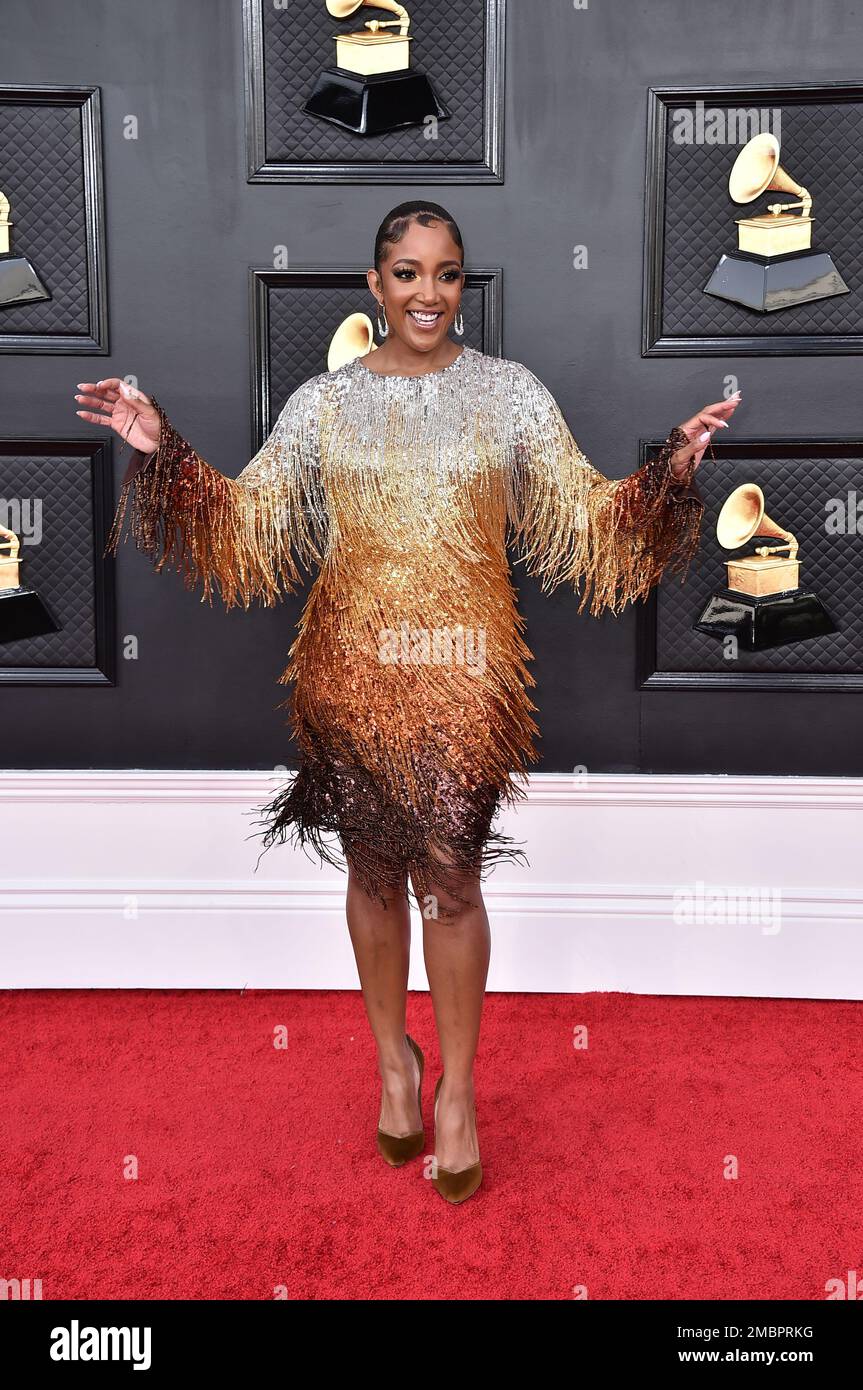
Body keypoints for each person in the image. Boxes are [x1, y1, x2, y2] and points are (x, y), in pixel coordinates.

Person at [74, 200, 740, 1205]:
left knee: (454, 881)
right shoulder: (323, 404)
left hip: (467, 674)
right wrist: (159, 445)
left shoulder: (508, 395)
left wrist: (668, 473)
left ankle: (459, 1091)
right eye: (408, 272)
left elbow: (585, 516)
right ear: (374, 286)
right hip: (349, 674)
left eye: (446, 273)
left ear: (460, 285)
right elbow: (246, 526)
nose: (428, 292)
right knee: (373, 874)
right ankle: (394, 1065)